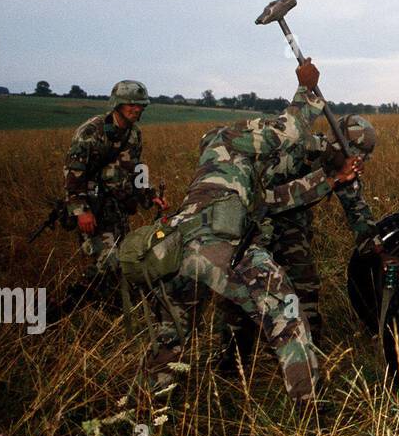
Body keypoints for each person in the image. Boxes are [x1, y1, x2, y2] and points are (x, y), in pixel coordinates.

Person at [140, 59, 361, 403]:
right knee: (288, 318)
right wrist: (306, 87)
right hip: (218, 245)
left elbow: (275, 200)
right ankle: (311, 414)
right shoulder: (232, 136)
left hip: (175, 248)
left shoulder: (232, 176)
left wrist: (332, 179)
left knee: (170, 336)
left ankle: (154, 409)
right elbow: (289, 130)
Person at [221, 113, 381, 359]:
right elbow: (267, 197)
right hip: (257, 220)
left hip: (293, 224)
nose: (358, 162)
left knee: (305, 285)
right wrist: (328, 180)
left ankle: (306, 353)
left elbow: (356, 208)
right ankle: (232, 358)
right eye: (357, 154)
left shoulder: (344, 166)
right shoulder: (299, 151)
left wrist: (377, 247)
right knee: (246, 287)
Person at [55, 80, 165, 317]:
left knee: (123, 259)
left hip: (119, 208)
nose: (137, 110)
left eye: (141, 106)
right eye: (131, 105)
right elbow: (73, 174)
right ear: (117, 104)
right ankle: (68, 306)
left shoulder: (134, 134)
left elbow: (137, 169)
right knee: (109, 261)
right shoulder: (90, 132)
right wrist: (81, 210)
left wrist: (150, 195)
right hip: (93, 208)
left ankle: (112, 307)